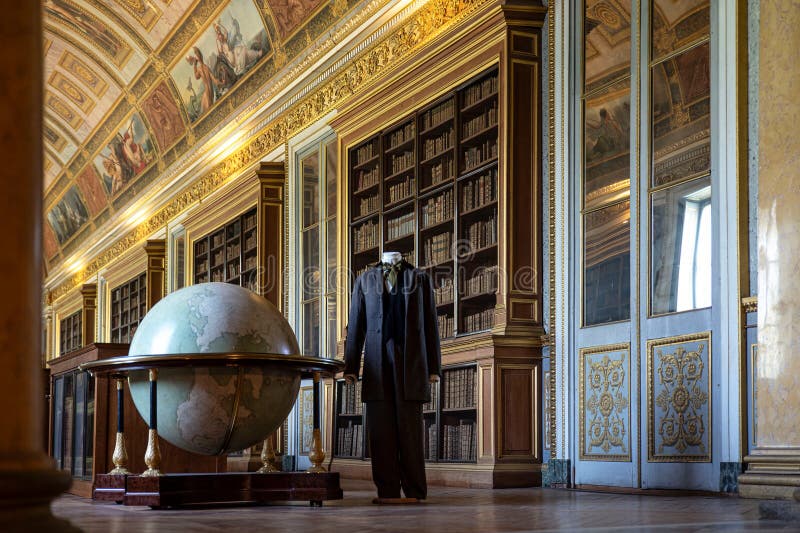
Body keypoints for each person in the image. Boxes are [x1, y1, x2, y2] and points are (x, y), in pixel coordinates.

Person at [344, 251, 441, 503]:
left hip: (410, 362)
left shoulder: (419, 278)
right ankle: (387, 491)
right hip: (377, 364)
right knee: (380, 430)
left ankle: (415, 491)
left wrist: (433, 368)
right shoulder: (364, 280)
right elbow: (356, 325)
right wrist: (351, 367)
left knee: (410, 430)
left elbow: (431, 323)